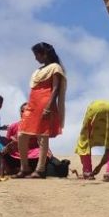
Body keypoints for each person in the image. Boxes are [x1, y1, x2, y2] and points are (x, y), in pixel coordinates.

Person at [17, 43, 66, 178]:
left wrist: (49, 107)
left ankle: (40, 169)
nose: (36, 58)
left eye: (37, 55)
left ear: (44, 54)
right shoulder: (38, 71)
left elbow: (55, 89)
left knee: (42, 136)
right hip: (32, 104)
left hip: (45, 104)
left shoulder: (55, 68)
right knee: (22, 134)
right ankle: (25, 167)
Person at [74, 100, 109, 182]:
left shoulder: (92, 104)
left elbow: (85, 127)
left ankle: (87, 171)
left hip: (94, 108)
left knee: (85, 139)